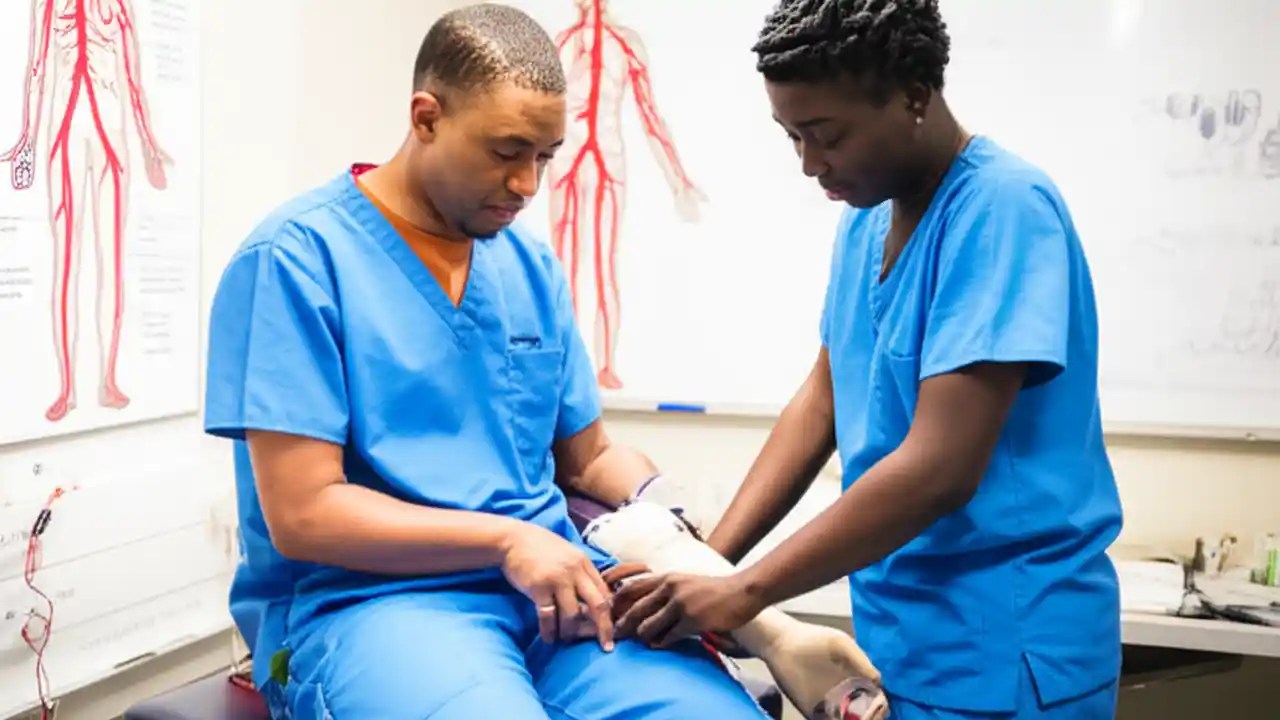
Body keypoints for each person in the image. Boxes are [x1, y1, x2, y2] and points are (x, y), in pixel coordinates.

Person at [202, 4, 767, 719]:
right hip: (369, 604)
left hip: (554, 592)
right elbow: (304, 513)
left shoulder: (528, 266)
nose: (527, 184)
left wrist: (670, 522)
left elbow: (588, 458)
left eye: (545, 157)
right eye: (506, 152)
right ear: (426, 118)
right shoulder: (296, 260)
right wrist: (506, 541)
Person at [612, 1, 1125, 718]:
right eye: (792, 136)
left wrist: (746, 591)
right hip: (905, 635)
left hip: (1007, 644)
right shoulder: (866, 221)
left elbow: (940, 470)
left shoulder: (1003, 209)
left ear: (914, 97)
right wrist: (711, 563)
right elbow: (823, 400)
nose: (809, 164)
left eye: (828, 136)